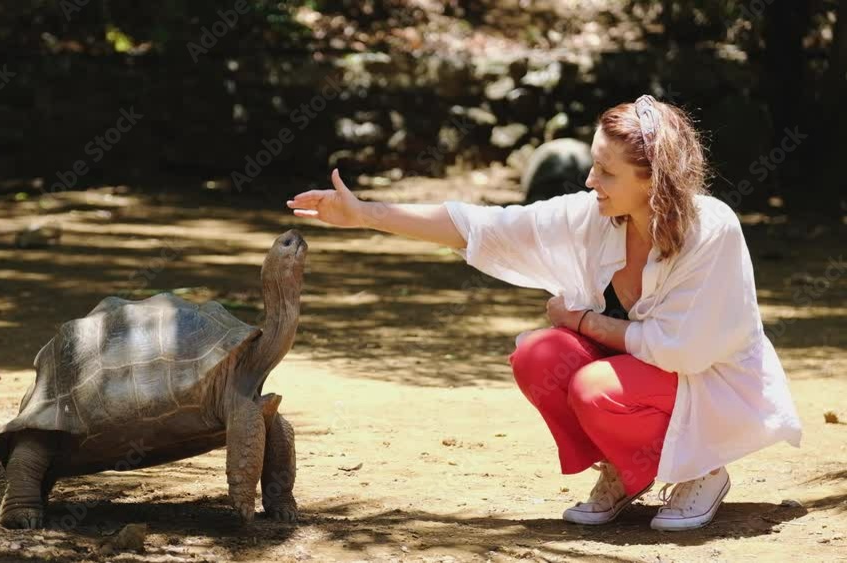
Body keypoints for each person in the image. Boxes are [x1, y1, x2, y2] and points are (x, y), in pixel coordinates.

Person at [286, 95, 802, 531]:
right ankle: (628, 470)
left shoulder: (711, 229)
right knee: (538, 354)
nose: (589, 180)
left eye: (605, 170)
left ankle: (703, 469)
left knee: (592, 385)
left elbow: (681, 350)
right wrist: (367, 214)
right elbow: (483, 226)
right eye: (593, 164)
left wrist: (583, 322)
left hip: (705, 383)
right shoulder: (596, 216)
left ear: (651, 179)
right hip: (641, 370)